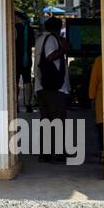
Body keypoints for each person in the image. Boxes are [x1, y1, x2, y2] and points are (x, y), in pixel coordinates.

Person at [32, 17, 69, 162]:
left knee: (46, 121)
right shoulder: (53, 39)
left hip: (42, 86)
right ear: (58, 28)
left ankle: (45, 153)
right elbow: (50, 56)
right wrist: (64, 49)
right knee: (58, 121)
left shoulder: (40, 39)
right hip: (54, 87)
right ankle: (58, 154)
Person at [88, 55, 103, 162]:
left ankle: (103, 153)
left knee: (102, 127)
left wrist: (92, 97)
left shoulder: (99, 60)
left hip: (102, 98)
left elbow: (94, 81)